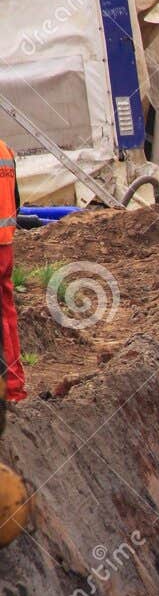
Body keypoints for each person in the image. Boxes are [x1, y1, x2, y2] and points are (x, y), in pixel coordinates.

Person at [0, 140, 26, 405]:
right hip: (5, 245)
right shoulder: (5, 148)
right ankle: (14, 388)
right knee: (7, 316)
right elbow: (16, 202)